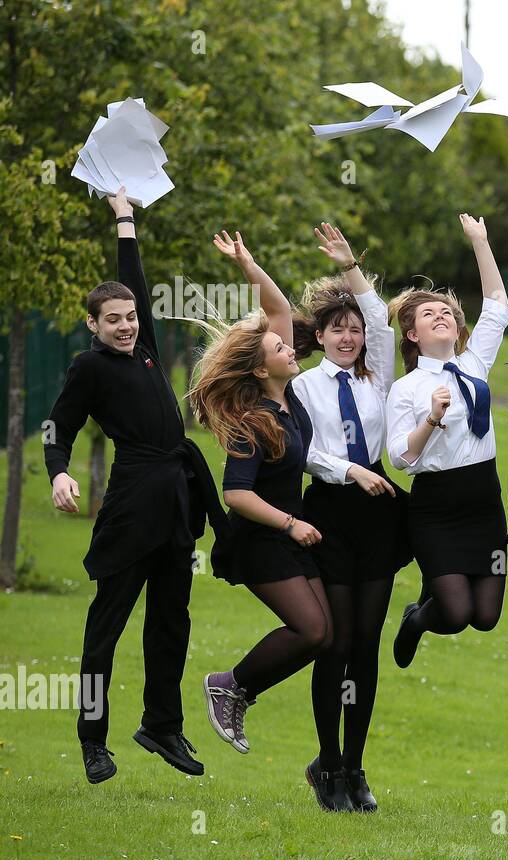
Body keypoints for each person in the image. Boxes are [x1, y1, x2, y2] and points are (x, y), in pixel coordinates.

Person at [45, 188, 227, 785]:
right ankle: (92, 741)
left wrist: (125, 217)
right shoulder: (88, 367)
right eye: (114, 321)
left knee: (172, 622)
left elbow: (133, 277)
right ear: (92, 324)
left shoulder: (146, 349)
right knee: (106, 629)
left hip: (176, 503)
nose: (125, 327)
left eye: (130, 318)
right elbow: (58, 425)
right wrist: (60, 471)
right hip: (131, 506)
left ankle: (162, 726)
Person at [192, 230, 336, 802]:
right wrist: (290, 523)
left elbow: (276, 310)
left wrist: (248, 261)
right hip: (261, 538)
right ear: (260, 369)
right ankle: (230, 687)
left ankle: (238, 690)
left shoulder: (286, 397)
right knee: (313, 629)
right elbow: (236, 495)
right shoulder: (254, 418)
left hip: (288, 536)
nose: (292, 348)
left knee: (325, 637)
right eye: (282, 350)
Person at [291, 221, 409, 812]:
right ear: (319, 335)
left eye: (354, 330)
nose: (349, 338)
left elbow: (384, 323)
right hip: (332, 512)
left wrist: (348, 265)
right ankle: (327, 764)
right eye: (337, 330)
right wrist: (348, 470)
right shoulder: (304, 385)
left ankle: (355, 768)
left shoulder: (378, 377)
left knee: (365, 645)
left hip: (379, 517)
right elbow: (300, 451)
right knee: (333, 644)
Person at [386, 215, 508, 667]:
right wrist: (429, 420)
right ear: (413, 335)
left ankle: (428, 605)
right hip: (437, 507)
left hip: (484, 501)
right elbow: (400, 457)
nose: (441, 316)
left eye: (447, 313)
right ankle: (417, 619)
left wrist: (480, 240)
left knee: (486, 617)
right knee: (456, 614)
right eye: (428, 314)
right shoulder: (405, 390)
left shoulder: (475, 363)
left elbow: (496, 301)